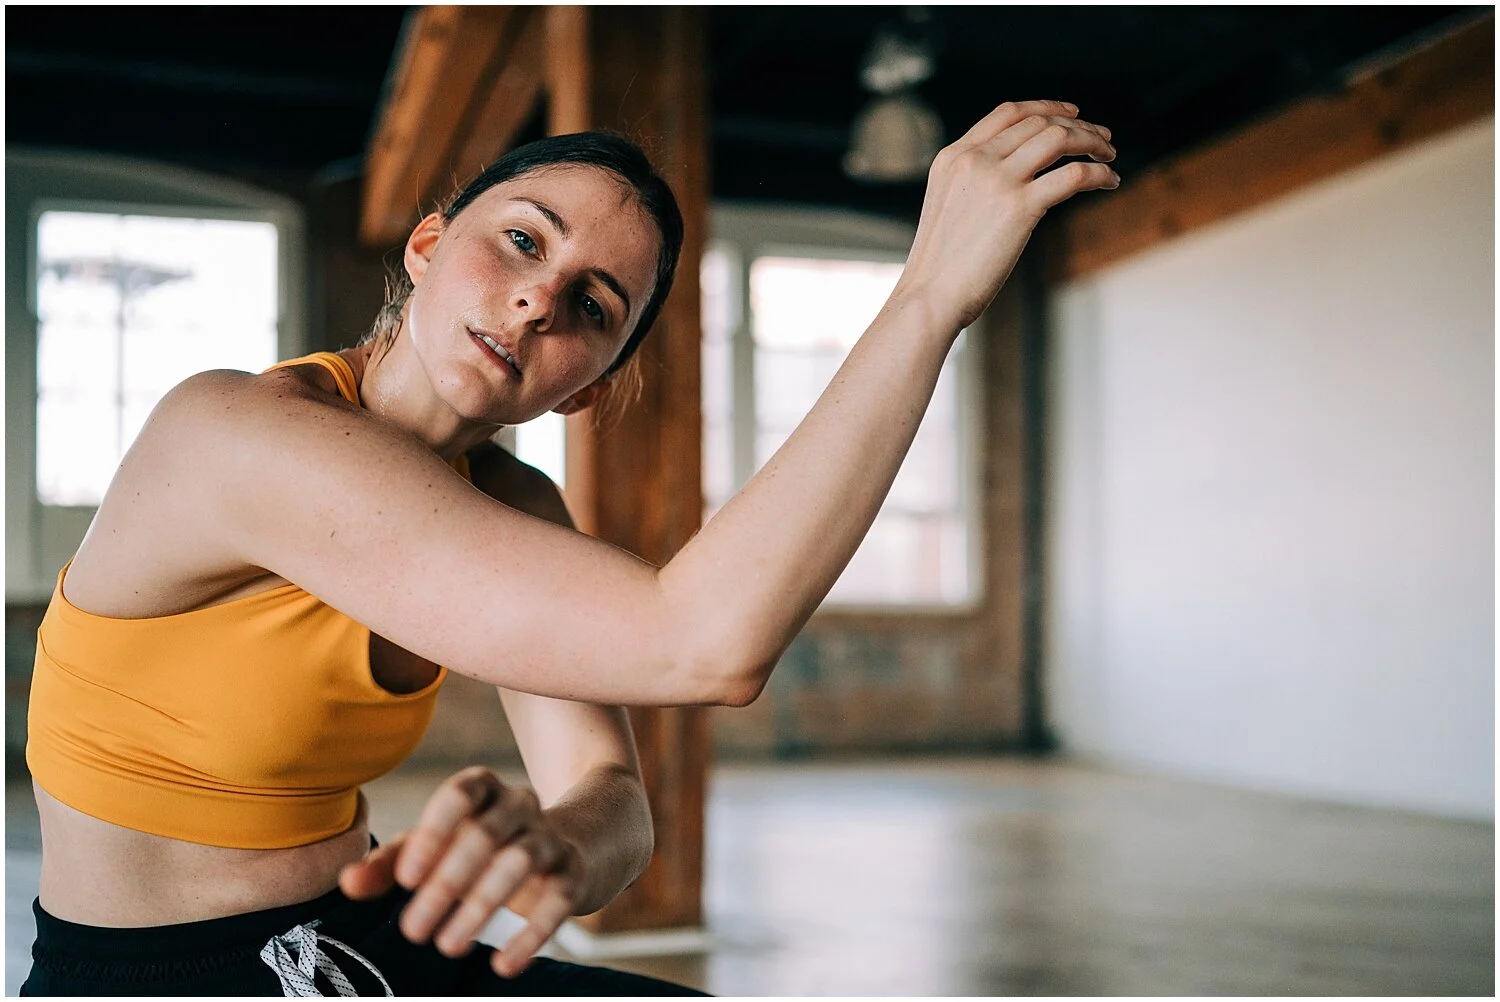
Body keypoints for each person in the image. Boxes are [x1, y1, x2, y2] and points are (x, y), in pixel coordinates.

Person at [22, 99, 1117, 996]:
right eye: (522, 239)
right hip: (156, 977)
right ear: (428, 242)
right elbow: (702, 642)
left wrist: (560, 843)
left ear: (584, 387)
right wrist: (927, 299)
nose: (541, 296)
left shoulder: (514, 499)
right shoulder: (237, 432)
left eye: (593, 305)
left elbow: (614, 800)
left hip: (367, 945)